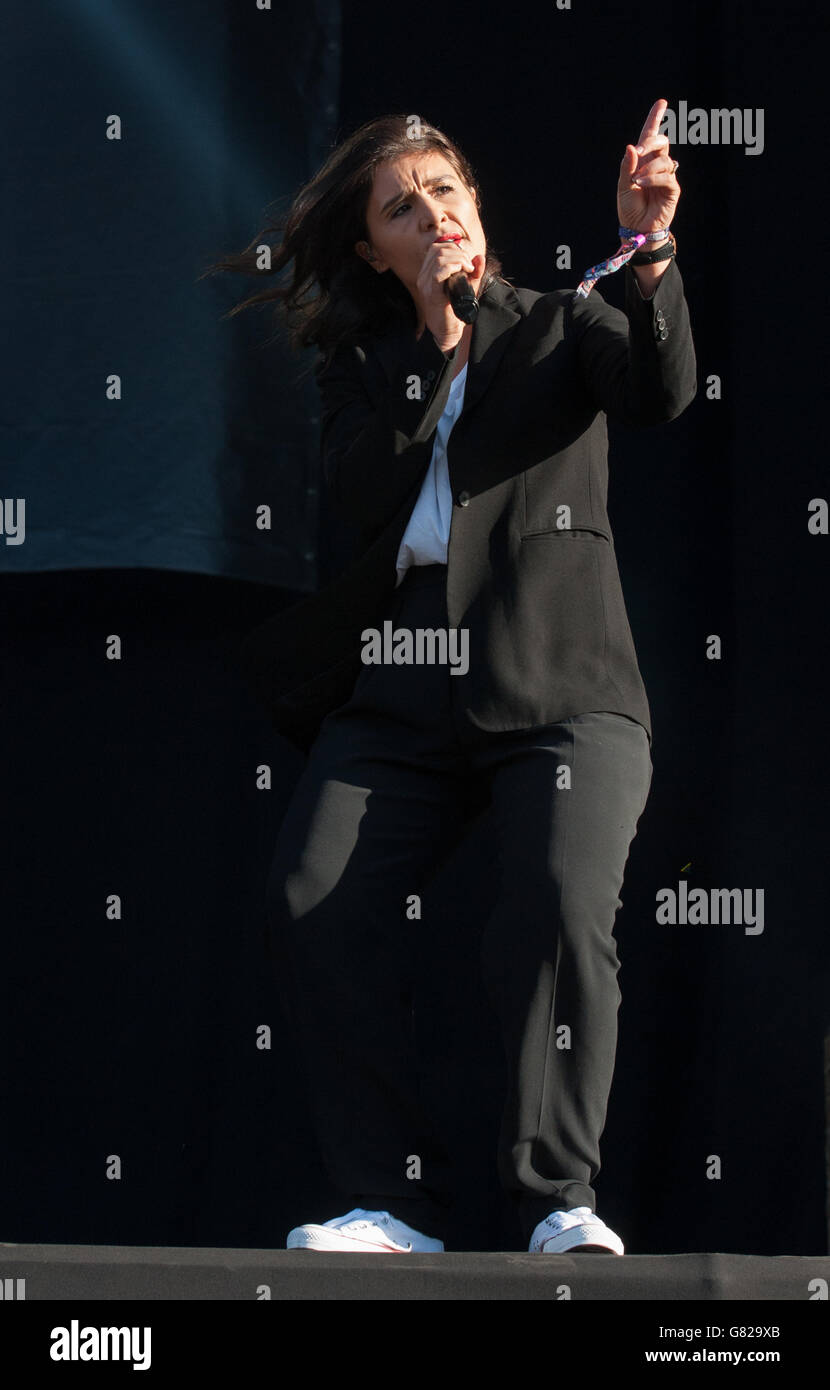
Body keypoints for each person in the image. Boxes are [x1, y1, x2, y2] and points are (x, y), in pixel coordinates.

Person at [219, 100, 697, 1254]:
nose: (431, 213)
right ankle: (389, 1201)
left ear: (475, 206)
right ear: (371, 249)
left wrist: (649, 249)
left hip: (560, 676)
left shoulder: (563, 321)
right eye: (401, 207)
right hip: (406, 682)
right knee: (313, 896)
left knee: (556, 905)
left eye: (443, 190)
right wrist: (441, 337)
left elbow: (658, 391)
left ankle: (556, 1198)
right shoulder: (361, 368)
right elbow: (362, 490)